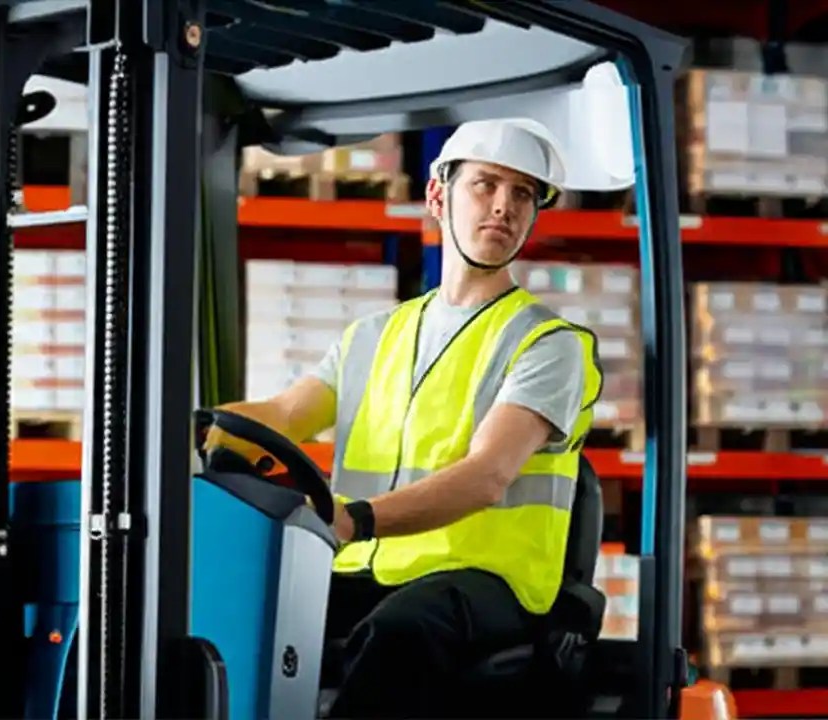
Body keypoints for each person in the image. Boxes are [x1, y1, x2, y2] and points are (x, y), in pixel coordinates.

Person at [204, 118, 604, 718]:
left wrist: (353, 520)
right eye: (486, 185)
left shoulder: (548, 342)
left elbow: (489, 475)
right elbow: (285, 413)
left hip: (490, 581)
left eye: (523, 194)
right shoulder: (374, 335)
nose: (504, 207)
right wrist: (188, 429)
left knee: (400, 633)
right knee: (239, 609)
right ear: (438, 196)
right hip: (372, 563)